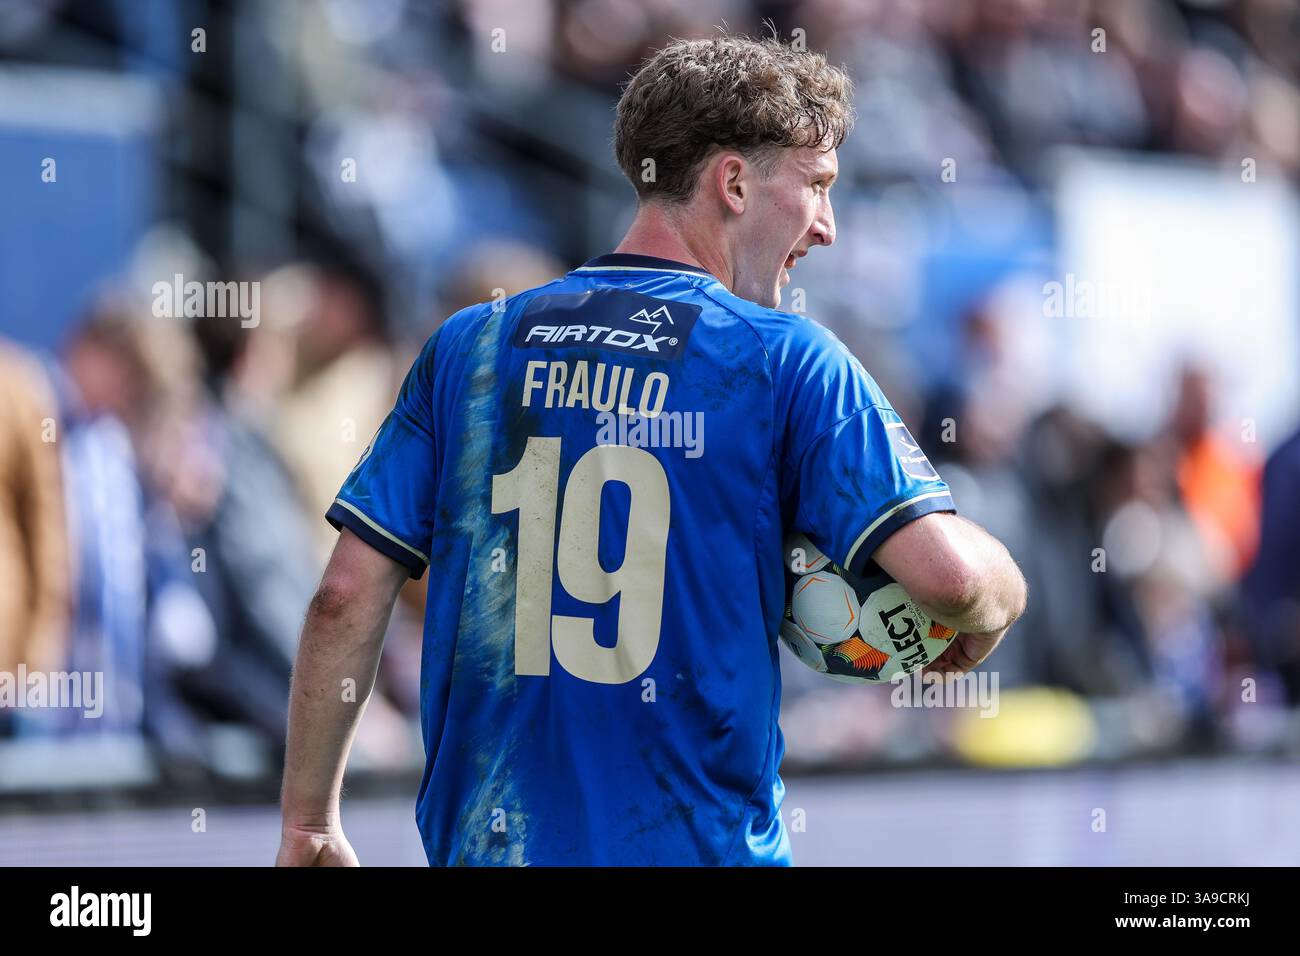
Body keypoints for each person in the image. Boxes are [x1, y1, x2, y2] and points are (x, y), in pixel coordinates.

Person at [278, 35, 1026, 867]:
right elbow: (952, 582)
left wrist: (309, 823)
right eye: (816, 186)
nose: (828, 226)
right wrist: (996, 608)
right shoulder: (786, 360)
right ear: (734, 182)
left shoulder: (470, 348)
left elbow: (345, 593)